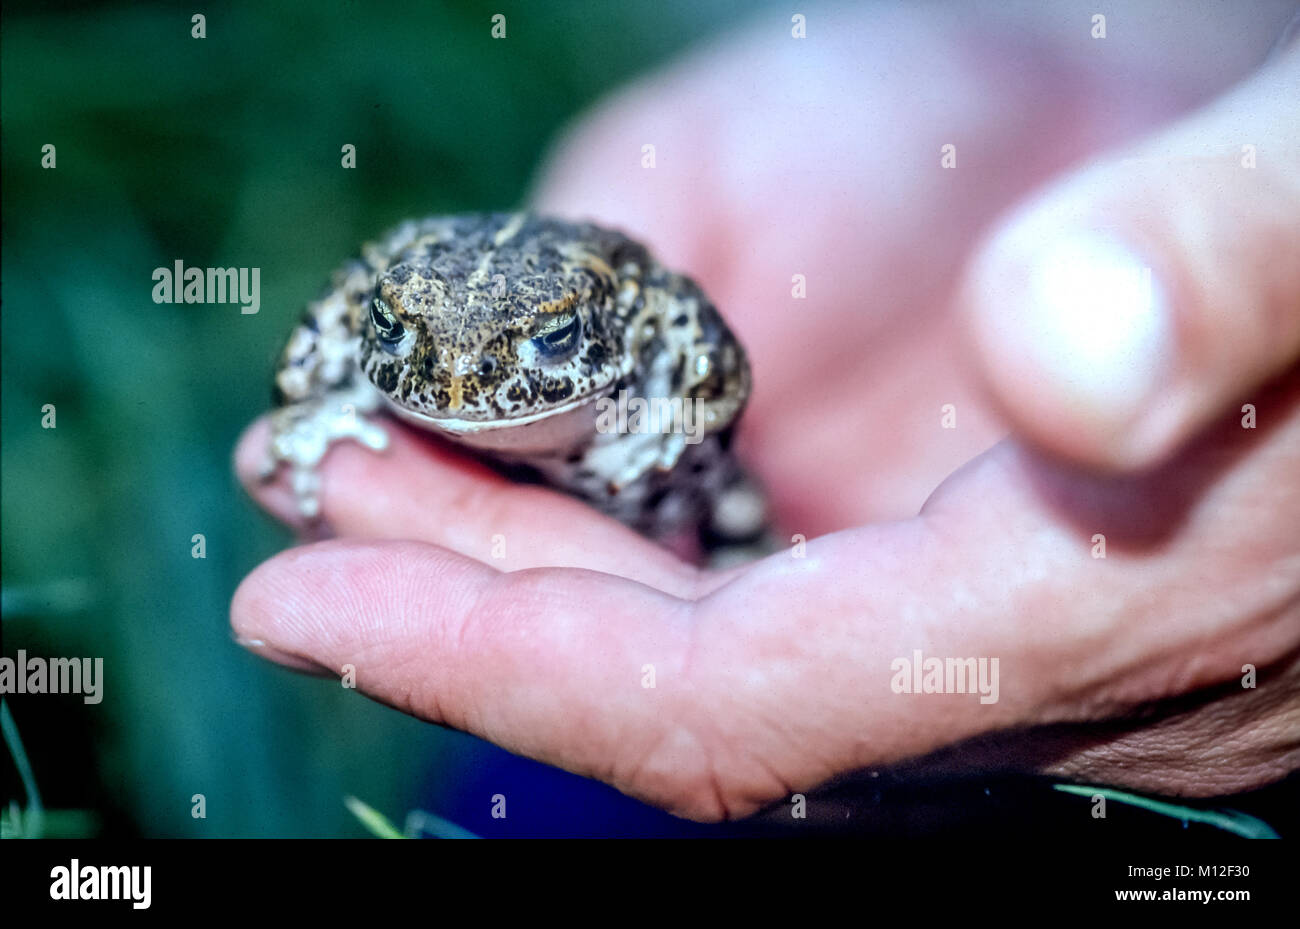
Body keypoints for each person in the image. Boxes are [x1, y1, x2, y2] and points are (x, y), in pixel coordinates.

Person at [232, 2, 1300, 822]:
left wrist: (671, 421)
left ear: (588, 330)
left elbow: (701, 343)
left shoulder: (632, 304)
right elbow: (356, 296)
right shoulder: (404, 292)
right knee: (548, 759)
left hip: (637, 457)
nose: (464, 383)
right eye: (413, 344)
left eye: (548, 342)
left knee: (698, 617)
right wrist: (310, 401)